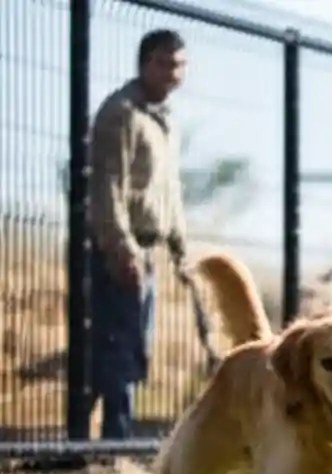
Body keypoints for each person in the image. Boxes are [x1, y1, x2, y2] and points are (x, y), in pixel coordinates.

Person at [88, 29, 190, 439]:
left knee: (131, 344)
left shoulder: (164, 121)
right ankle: (114, 437)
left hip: (150, 248)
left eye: (180, 65)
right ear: (145, 63)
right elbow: (108, 187)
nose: (173, 73)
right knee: (119, 344)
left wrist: (182, 248)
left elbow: (170, 191)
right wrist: (121, 249)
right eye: (164, 63)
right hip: (122, 249)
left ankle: (88, 436)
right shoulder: (122, 113)